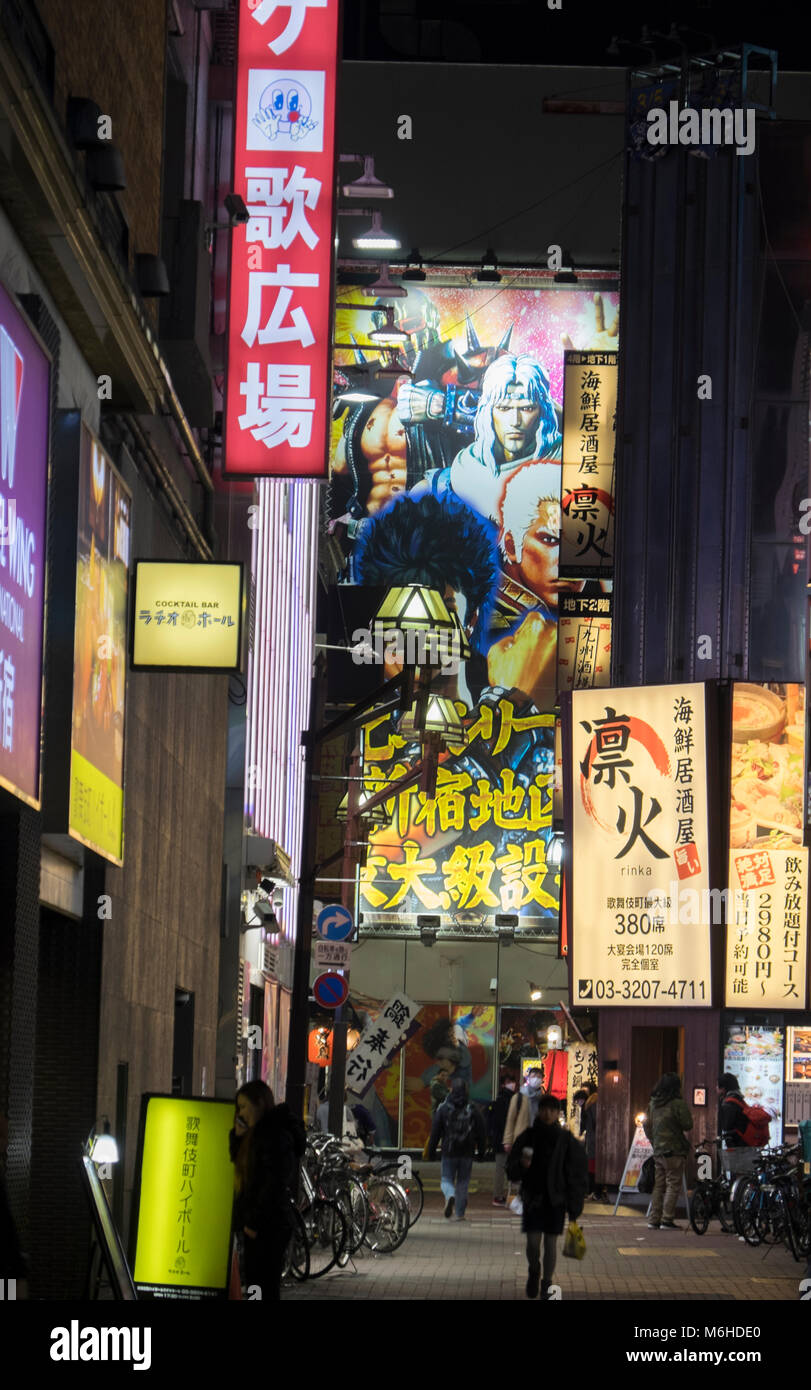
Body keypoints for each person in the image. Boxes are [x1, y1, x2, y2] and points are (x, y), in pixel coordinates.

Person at [506, 1091, 588, 1299]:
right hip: (533, 1196)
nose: (548, 1114)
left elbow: (576, 1173)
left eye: (552, 1110)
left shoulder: (565, 1139)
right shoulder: (528, 1136)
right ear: (539, 1111)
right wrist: (521, 1166)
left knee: (550, 1243)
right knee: (533, 1243)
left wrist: (575, 1206)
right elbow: (511, 1168)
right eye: (544, 1109)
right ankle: (534, 1270)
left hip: (556, 1199)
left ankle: (547, 1282)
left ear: (557, 1113)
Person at [229, 1080, 304, 1300]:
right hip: (263, 1222)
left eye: (244, 1106)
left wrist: (253, 1222)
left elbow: (272, 1184)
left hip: (267, 1225)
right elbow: (238, 1163)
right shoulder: (257, 1133)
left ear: (259, 1104)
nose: (240, 1112)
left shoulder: (273, 1135)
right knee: (258, 1282)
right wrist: (238, 1136)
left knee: (263, 1283)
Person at [428, 1077, 487, 1221]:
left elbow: (435, 1132)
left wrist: (431, 1152)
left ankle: (450, 1195)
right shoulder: (473, 1108)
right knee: (463, 1182)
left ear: (452, 1090)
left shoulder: (443, 1109)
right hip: (467, 1152)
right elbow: (481, 1132)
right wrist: (481, 1152)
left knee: (446, 1179)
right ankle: (460, 1214)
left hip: (449, 1151)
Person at [642, 1073, 693, 1230]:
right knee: (673, 1184)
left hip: (658, 1151)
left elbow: (646, 1125)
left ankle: (653, 1219)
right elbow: (687, 1124)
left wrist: (654, 1141)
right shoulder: (677, 1104)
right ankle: (667, 1219)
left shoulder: (653, 1104)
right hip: (675, 1150)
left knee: (659, 1185)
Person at [717, 1073, 762, 1175]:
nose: (716, 1089)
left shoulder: (729, 1103)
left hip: (738, 1146)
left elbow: (727, 1126)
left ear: (723, 1088)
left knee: (738, 1178)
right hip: (746, 1144)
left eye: (717, 1086)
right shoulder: (739, 1099)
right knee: (746, 1177)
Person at [487, 1074, 518, 1206]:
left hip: (501, 1139)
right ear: (503, 1084)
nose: (512, 1084)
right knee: (502, 1168)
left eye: (513, 1081)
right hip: (505, 1140)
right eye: (509, 1082)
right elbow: (502, 1122)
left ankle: (499, 1195)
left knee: (502, 1168)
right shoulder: (506, 1100)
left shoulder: (504, 1099)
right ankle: (498, 1196)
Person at [503, 1067, 545, 1153]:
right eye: (533, 1076)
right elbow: (511, 1120)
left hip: (538, 1139)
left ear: (542, 1080)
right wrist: (508, 1141)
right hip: (521, 1137)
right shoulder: (518, 1097)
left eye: (539, 1077)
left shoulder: (544, 1099)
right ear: (528, 1078)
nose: (536, 1079)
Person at [580, 1081, 600, 1200]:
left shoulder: (593, 1101)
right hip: (591, 1138)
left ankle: (594, 1191)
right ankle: (592, 1191)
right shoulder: (588, 1102)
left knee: (592, 1166)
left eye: (586, 1088)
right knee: (590, 1166)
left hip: (594, 1139)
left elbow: (593, 1122)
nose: (584, 1090)